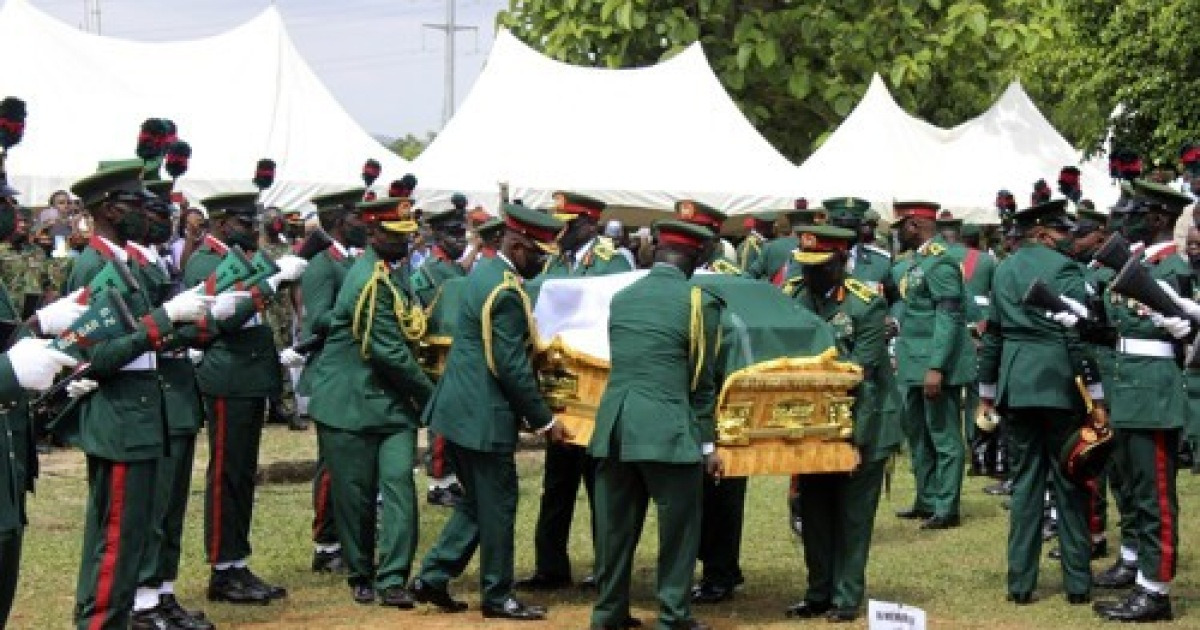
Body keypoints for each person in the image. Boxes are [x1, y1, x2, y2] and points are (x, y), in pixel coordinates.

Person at [61, 164, 213, 630]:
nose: (147, 213)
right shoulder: (96, 265)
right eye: (133, 203)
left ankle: (118, 615)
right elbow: (94, 355)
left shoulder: (121, 261)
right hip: (120, 414)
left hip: (140, 410)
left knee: (130, 535)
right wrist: (163, 320)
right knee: (116, 535)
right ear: (109, 209)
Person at [412, 203, 570, 620]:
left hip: (460, 409)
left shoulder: (484, 276)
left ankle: (433, 575)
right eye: (538, 253)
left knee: (478, 502)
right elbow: (509, 365)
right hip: (482, 414)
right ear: (517, 245)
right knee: (498, 502)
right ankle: (498, 595)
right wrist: (545, 419)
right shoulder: (503, 291)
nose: (541, 262)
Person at [588, 218, 723, 630]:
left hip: (615, 426)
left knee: (615, 529)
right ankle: (673, 614)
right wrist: (707, 444)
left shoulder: (623, 297)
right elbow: (702, 381)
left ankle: (609, 611)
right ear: (697, 256)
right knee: (678, 530)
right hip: (667, 429)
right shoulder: (700, 303)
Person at [307, 196, 434, 607]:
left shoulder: (394, 273)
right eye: (396, 236)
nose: (406, 242)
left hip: (392, 404)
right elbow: (387, 351)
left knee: (398, 485)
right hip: (350, 402)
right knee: (354, 496)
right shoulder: (370, 279)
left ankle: (393, 576)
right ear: (374, 234)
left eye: (407, 235)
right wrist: (432, 396)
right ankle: (361, 571)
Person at [183, 191, 307, 606]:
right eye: (243, 222)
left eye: (253, 222)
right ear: (220, 224)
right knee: (226, 474)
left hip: (249, 377)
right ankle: (222, 568)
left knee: (242, 474)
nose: (253, 229)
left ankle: (235, 560)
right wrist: (269, 283)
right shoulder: (206, 262)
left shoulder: (241, 259)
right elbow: (217, 320)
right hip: (228, 378)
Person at [978, 199, 1100, 607]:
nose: (1069, 237)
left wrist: (988, 390)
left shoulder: (1004, 268)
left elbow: (993, 333)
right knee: (1070, 481)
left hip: (1016, 382)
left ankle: (1020, 582)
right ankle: (1078, 582)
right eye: (1063, 230)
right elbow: (1074, 331)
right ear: (1045, 232)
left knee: (1026, 483)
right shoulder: (1066, 269)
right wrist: (1093, 392)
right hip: (1058, 381)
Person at [1090, 180, 1192, 622]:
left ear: (1156, 218)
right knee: (1134, 488)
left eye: (1135, 212)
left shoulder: (1171, 270)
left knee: (1156, 497)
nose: (1125, 218)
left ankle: (1156, 591)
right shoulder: (1138, 262)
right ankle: (1141, 573)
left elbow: (1179, 332)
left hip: (1153, 392)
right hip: (1129, 386)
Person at [518, 191, 631, 592]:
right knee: (557, 482)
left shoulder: (611, 261)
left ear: (587, 223)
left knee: (600, 483)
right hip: (561, 388)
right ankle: (550, 565)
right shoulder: (555, 260)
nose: (557, 230)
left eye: (565, 223)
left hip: (596, 387)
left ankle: (606, 569)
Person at [784, 225, 897, 622]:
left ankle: (846, 597)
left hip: (863, 422)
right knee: (813, 512)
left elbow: (860, 377)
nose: (811, 274)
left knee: (852, 516)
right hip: (812, 426)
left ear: (841, 262)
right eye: (806, 265)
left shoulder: (866, 304)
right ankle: (818, 593)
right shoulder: (794, 296)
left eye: (820, 267)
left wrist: (857, 443)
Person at [286, 187, 367, 575]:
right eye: (356, 216)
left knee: (356, 463)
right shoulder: (323, 264)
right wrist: (358, 315)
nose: (364, 222)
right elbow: (315, 319)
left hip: (359, 372)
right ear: (337, 221)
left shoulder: (359, 260)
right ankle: (326, 542)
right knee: (333, 463)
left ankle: (352, 536)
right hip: (331, 373)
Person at [891, 201, 976, 530]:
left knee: (943, 435)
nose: (897, 233)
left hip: (935, 365)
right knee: (917, 434)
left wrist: (936, 367)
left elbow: (949, 319)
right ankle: (925, 499)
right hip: (914, 363)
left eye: (900, 227)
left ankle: (946, 506)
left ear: (914, 225)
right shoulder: (920, 261)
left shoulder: (940, 263)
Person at [411, 193, 469, 508]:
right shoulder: (427, 272)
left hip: (459, 354)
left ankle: (451, 477)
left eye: (462, 233)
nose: (461, 241)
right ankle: (438, 481)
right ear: (437, 235)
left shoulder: (458, 270)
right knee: (442, 422)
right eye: (453, 234)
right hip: (437, 356)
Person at [260, 207, 305, 431]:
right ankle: (274, 409)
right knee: (263, 360)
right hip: (262, 311)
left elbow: (296, 284)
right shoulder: (256, 249)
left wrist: (300, 313)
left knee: (284, 359)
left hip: (283, 312)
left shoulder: (287, 249)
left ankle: (288, 409)